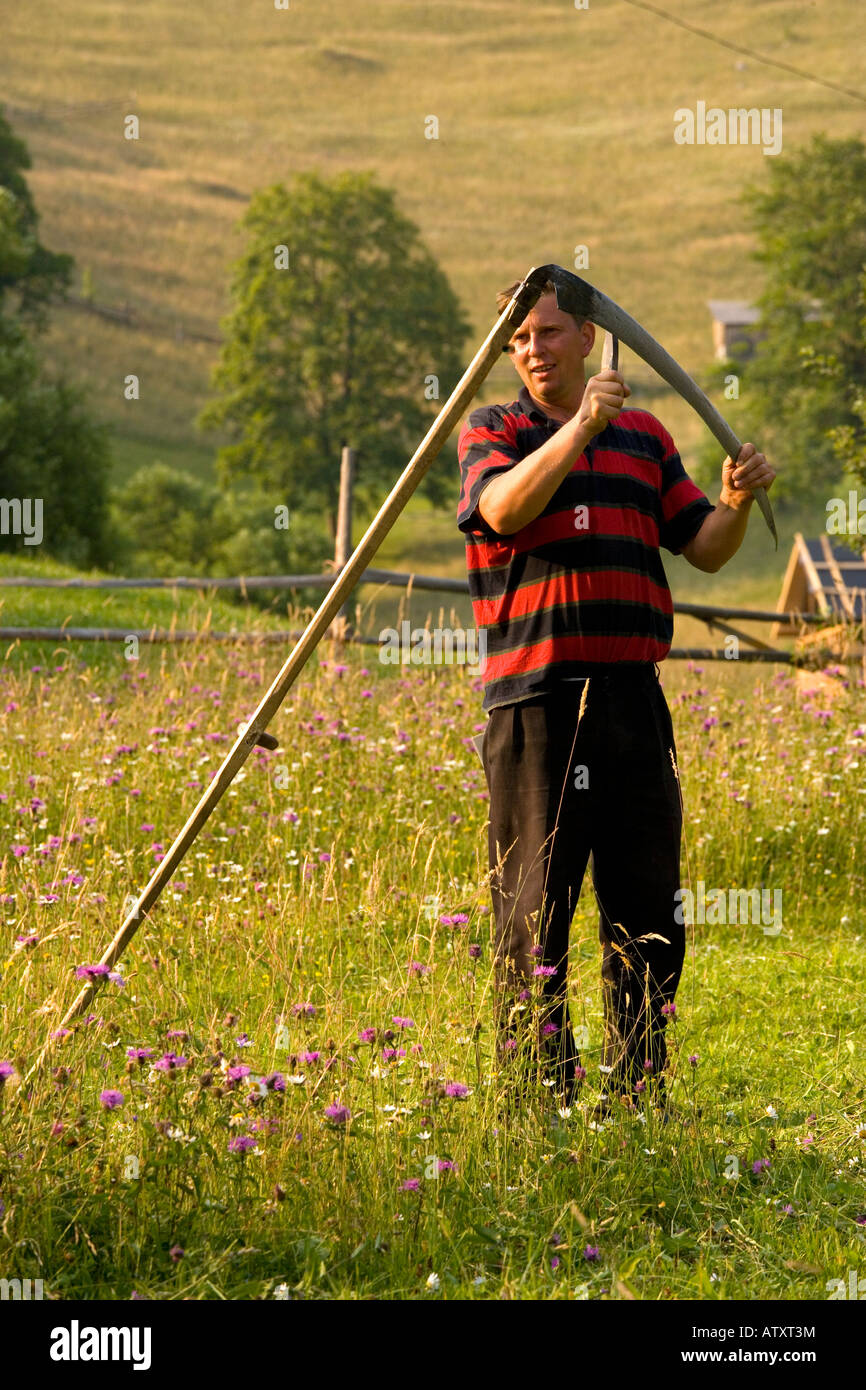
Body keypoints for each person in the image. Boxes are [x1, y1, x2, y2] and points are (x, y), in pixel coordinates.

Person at [456, 278, 776, 1113]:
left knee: (646, 903)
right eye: (518, 338)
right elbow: (502, 507)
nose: (532, 348)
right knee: (534, 906)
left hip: (632, 700)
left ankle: (639, 1089)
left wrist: (736, 501)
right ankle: (537, 1095)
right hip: (536, 704)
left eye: (549, 331)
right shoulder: (495, 429)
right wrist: (583, 428)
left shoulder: (644, 437)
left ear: (589, 338)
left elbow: (703, 548)